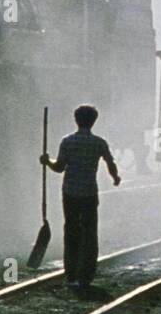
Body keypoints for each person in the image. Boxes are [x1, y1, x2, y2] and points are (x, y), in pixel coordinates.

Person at [40, 104, 120, 291]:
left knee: (71, 231)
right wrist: (115, 177)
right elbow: (110, 162)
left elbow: (59, 167)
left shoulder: (67, 141)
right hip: (89, 193)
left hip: (70, 193)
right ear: (94, 121)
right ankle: (87, 274)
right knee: (90, 233)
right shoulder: (99, 142)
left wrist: (47, 161)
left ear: (76, 120)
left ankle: (71, 274)